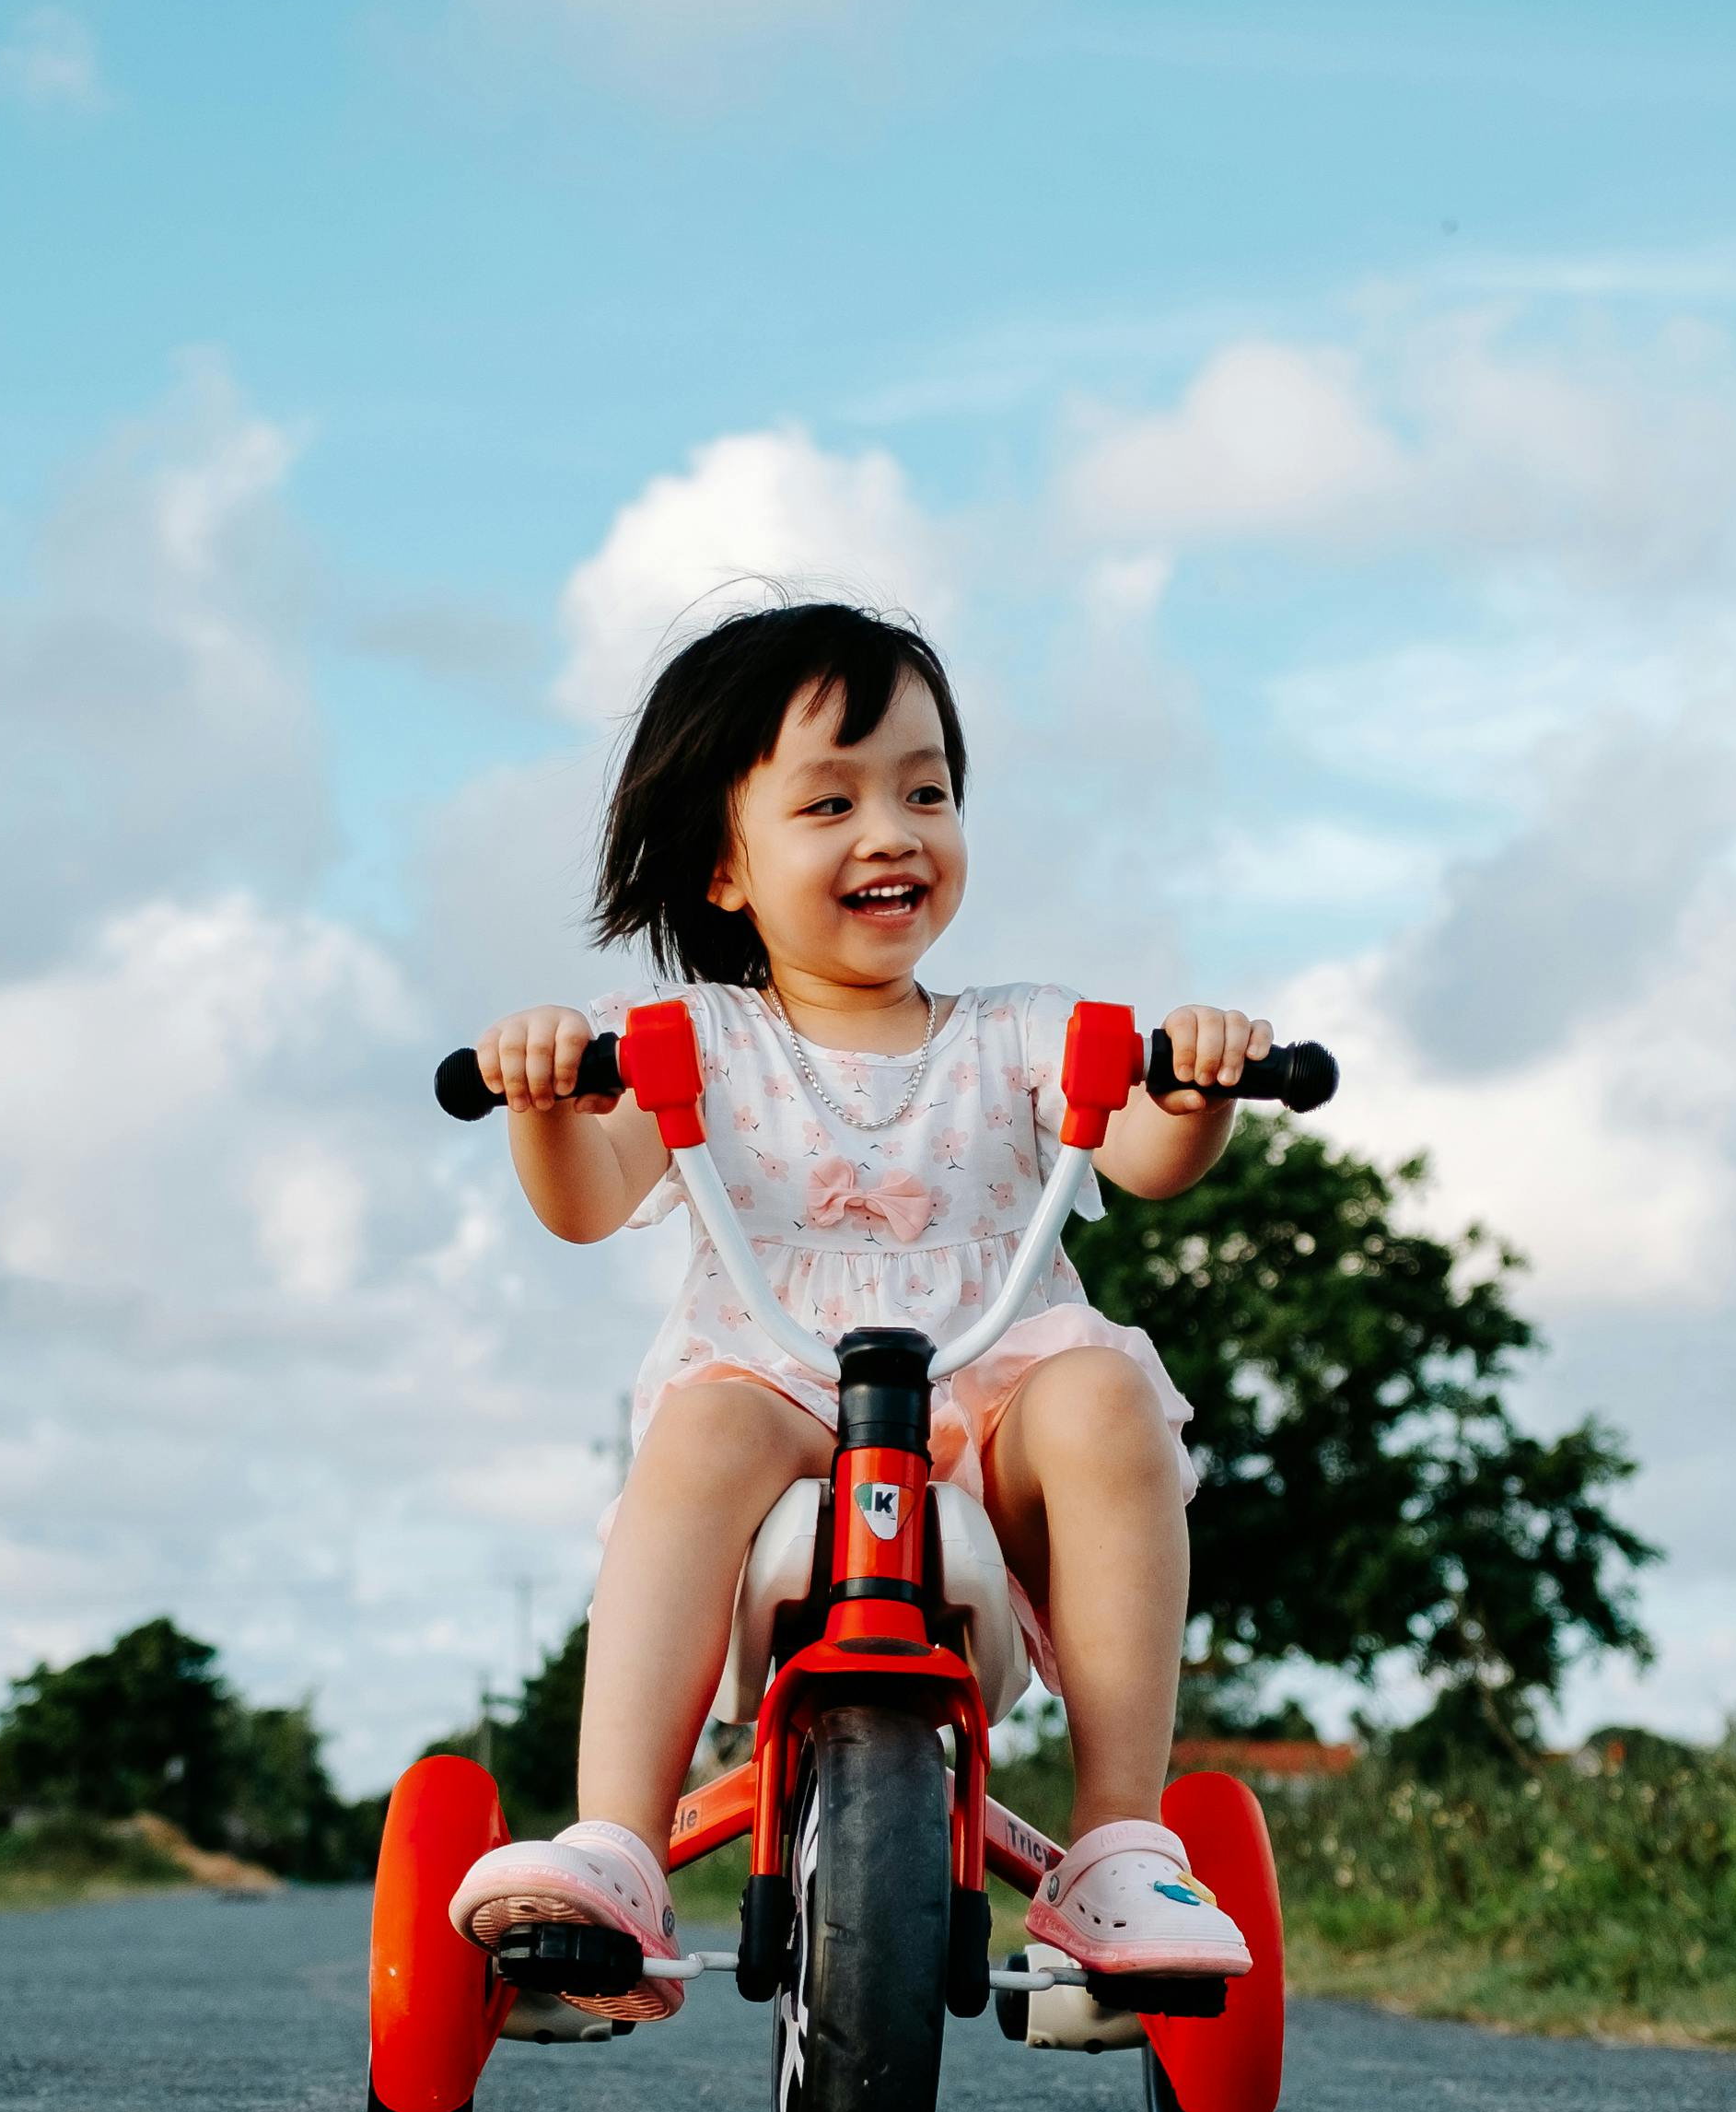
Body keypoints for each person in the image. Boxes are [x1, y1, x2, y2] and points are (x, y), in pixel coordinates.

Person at [453, 600, 1268, 2017]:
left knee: (1105, 1390)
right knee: (703, 1427)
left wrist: (1189, 1088)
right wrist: (539, 1099)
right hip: (779, 1405)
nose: (890, 830)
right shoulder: (690, 1043)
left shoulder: (1019, 1032)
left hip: (988, 1432)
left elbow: (1140, 1158)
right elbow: (585, 1200)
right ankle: (619, 1845)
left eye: (925, 790)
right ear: (722, 866)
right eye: (828, 800)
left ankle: (1119, 1840)